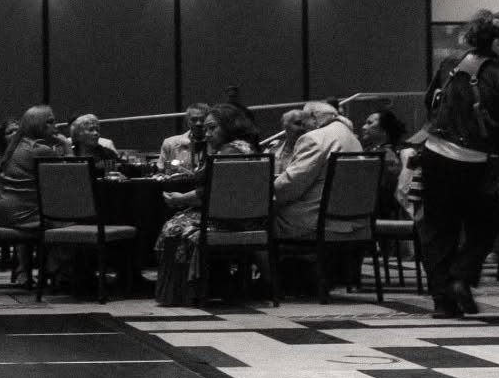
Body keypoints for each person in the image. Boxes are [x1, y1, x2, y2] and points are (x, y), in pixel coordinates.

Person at [418, 9, 499, 318]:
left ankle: (443, 302)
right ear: (497, 44)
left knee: (438, 230)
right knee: (485, 223)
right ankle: (461, 277)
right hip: (473, 162)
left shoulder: (450, 64)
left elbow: (429, 102)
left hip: (434, 154)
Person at [153, 102, 260, 305]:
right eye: (206, 129)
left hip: (226, 222)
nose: (207, 133)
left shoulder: (228, 154)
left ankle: (186, 293)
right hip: (249, 220)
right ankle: (214, 283)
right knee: (179, 220)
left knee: (174, 228)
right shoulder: (245, 148)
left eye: (212, 128)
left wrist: (180, 199)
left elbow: (209, 194)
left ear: (229, 127)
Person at [271, 101, 363, 241]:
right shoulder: (352, 139)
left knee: (258, 220)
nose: (303, 129)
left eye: (304, 122)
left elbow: (290, 186)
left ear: (314, 117)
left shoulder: (314, 138)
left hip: (317, 223)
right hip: (355, 221)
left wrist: (268, 192)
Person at [0, 105, 67, 234]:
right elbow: (68, 181)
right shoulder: (39, 150)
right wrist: (67, 146)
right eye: (51, 121)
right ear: (38, 125)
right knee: (81, 217)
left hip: (2, 213)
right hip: (24, 216)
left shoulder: (16, 146)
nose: (56, 126)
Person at [359, 108, 406, 217]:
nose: (363, 127)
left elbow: (384, 191)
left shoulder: (387, 156)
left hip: (378, 213)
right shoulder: (374, 151)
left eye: (369, 123)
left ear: (384, 130)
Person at [158, 103, 209, 171]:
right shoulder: (170, 144)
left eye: (202, 119)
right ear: (187, 121)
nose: (198, 123)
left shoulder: (216, 144)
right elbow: (160, 172)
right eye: (194, 120)